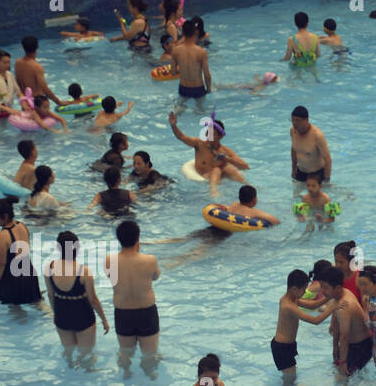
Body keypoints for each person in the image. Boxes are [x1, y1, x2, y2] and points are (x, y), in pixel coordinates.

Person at [44, 231, 108, 363]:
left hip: (62, 316)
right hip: (83, 317)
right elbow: (93, 300)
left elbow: (50, 296)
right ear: (77, 248)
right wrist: (104, 320)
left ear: (58, 248)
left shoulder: (49, 268)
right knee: (87, 356)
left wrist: (57, 314)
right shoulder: (84, 272)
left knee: (68, 354)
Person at [107, 220, 162, 371]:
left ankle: (126, 372)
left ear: (119, 239)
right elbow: (155, 276)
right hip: (147, 312)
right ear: (138, 238)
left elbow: (112, 279)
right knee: (150, 354)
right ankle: (151, 375)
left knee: (125, 352)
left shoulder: (109, 261)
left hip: (123, 313)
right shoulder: (150, 260)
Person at [169, 111, 248, 198]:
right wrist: (173, 125)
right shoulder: (199, 144)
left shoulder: (225, 151)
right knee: (217, 169)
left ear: (221, 136)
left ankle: (248, 186)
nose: (208, 136)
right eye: (207, 133)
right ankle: (213, 192)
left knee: (228, 168)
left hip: (220, 177)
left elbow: (245, 166)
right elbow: (182, 137)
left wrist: (227, 159)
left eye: (212, 134)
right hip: (204, 176)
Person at [319, 267, 373, 377]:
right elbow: (336, 323)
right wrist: (335, 346)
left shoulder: (344, 306)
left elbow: (344, 337)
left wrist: (343, 362)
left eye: (326, 288)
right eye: (321, 287)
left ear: (337, 288)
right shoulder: (341, 294)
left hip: (361, 347)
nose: (322, 291)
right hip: (354, 345)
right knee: (344, 375)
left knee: (343, 378)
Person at [290, 105, 332, 183]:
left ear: (306, 120)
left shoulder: (317, 136)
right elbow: (293, 150)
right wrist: (293, 169)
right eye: (292, 120)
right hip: (301, 171)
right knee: (296, 194)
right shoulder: (293, 131)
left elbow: (328, 159)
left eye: (297, 120)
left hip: (316, 174)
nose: (294, 123)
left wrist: (327, 179)